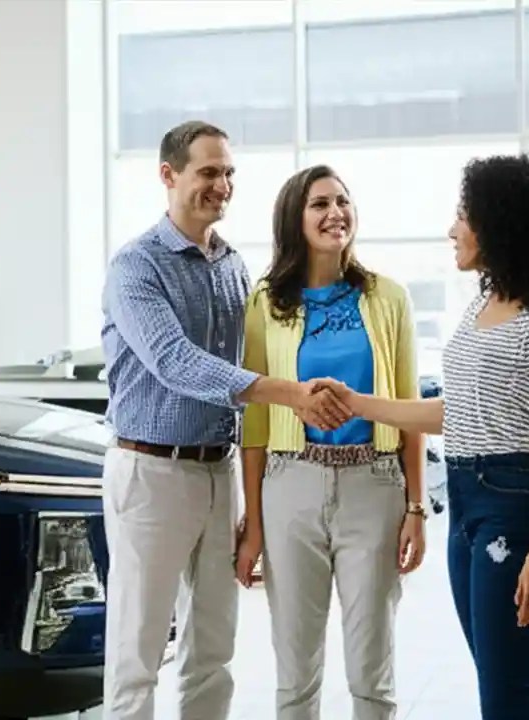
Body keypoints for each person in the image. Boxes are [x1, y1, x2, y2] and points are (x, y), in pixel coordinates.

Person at [100, 120, 348, 720]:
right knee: (137, 654)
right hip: (150, 472)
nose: (222, 184)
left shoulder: (232, 267)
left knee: (212, 651)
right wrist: (290, 394)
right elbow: (174, 362)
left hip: (218, 473)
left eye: (229, 172)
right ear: (169, 175)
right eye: (208, 171)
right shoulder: (137, 266)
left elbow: (252, 357)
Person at [322, 154, 529, 719]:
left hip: (516, 501)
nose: (451, 230)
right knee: (505, 681)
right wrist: (358, 404)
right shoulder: (484, 301)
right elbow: (456, 411)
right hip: (465, 498)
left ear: (499, 221)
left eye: (463, 215)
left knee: (505, 693)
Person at [235, 164, 425, 720]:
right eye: (319, 203)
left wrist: (416, 507)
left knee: (372, 670)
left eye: (342, 201)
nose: (335, 213)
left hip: (375, 484)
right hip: (290, 483)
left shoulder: (388, 298)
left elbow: (410, 408)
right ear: (295, 217)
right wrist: (254, 524)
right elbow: (256, 424)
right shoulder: (265, 301)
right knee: (295, 673)